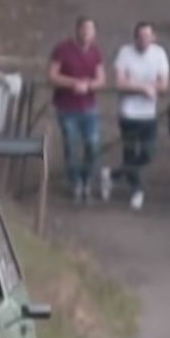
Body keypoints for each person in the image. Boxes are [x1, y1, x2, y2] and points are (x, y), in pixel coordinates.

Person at [48, 18, 107, 203]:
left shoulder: (96, 52)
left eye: (90, 29)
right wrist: (74, 83)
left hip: (89, 107)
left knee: (93, 144)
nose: (87, 33)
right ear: (77, 30)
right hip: (67, 107)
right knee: (71, 146)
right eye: (84, 29)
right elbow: (52, 75)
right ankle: (75, 182)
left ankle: (86, 178)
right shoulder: (62, 49)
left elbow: (101, 79)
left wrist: (88, 85)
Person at [112, 22, 169, 211]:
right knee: (129, 151)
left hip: (148, 113)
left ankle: (114, 174)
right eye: (141, 36)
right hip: (128, 112)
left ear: (153, 37)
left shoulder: (159, 54)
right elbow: (120, 82)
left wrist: (138, 85)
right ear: (135, 37)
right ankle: (136, 190)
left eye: (148, 36)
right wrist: (143, 87)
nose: (144, 40)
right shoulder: (125, 52)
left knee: (148, 152)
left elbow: (163, 85)